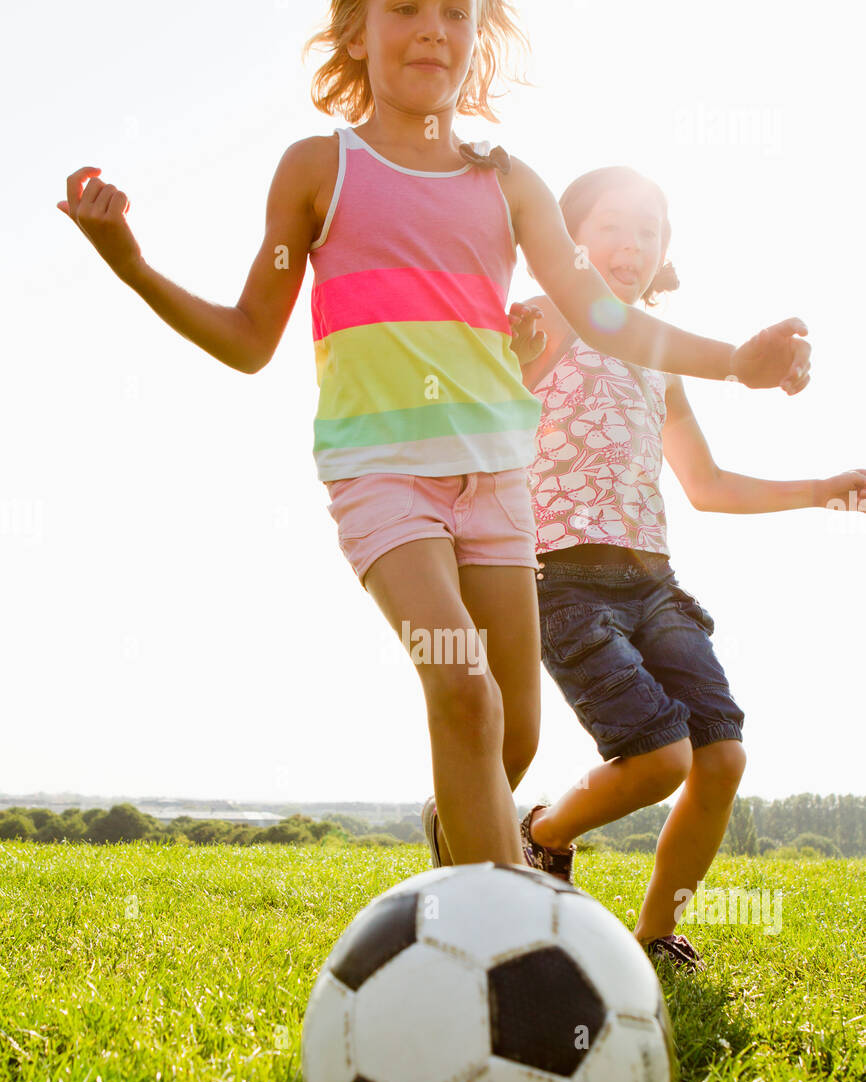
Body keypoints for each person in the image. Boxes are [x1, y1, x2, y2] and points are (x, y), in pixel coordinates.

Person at [57, 2, 811, 872]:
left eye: (454, 11)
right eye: (405, 8)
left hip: (496, 482)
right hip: (384, 480)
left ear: (474, 39)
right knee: (462, 688)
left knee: (510, 739)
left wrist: (733, 363)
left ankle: (458, 842)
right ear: (356, 34)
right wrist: (130, 262)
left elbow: (601, 316)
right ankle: (501, 952)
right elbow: (248, 338)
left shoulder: (510, 181)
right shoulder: (317, 168)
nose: (431, 29)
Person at [508, 164, 864, 968]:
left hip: (654, 584)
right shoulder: (545, 317)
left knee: (721, 757)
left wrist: (822, 491)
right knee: (659, 757)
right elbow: (499, 398)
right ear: (568, 239)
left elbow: (706, 485)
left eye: (650, 230)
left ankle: (654, 935)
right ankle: (541, 833)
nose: (633, 243)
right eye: (614, 224)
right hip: (565, 582)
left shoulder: (658, 361)